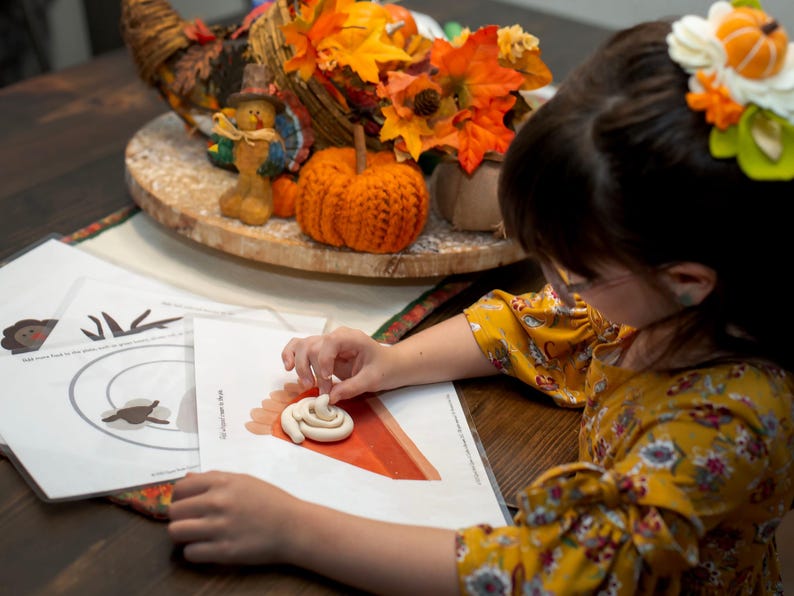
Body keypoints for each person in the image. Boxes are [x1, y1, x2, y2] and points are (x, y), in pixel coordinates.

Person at [167, 3, 794, 593]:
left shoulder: (723, 426)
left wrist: (293, 530)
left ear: (688, 279)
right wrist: (392, 361)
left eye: (576, 273)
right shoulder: (662, 305)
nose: (556, 288)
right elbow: (532, 323)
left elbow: (545, 574)